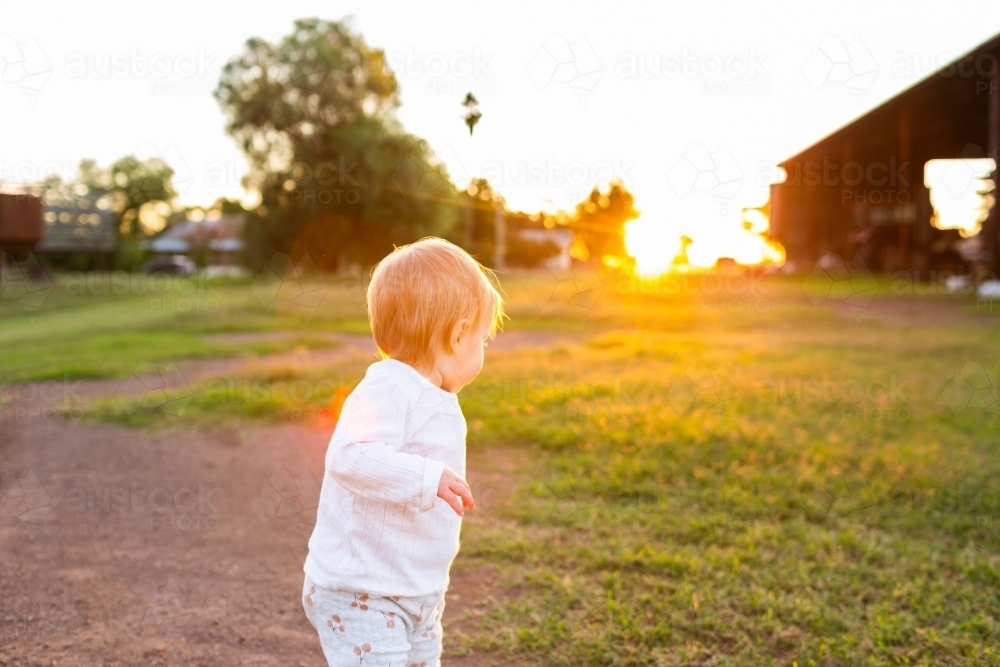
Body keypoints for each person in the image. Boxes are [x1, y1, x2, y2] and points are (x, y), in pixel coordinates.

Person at [302, 237, 504, 666]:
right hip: (363, 592)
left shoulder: (431, 393)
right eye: (482, 341)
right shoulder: (390, 385)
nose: (482, 350)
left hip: (416, 587)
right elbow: (349, 456)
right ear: (458, 334)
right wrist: (426, 477)